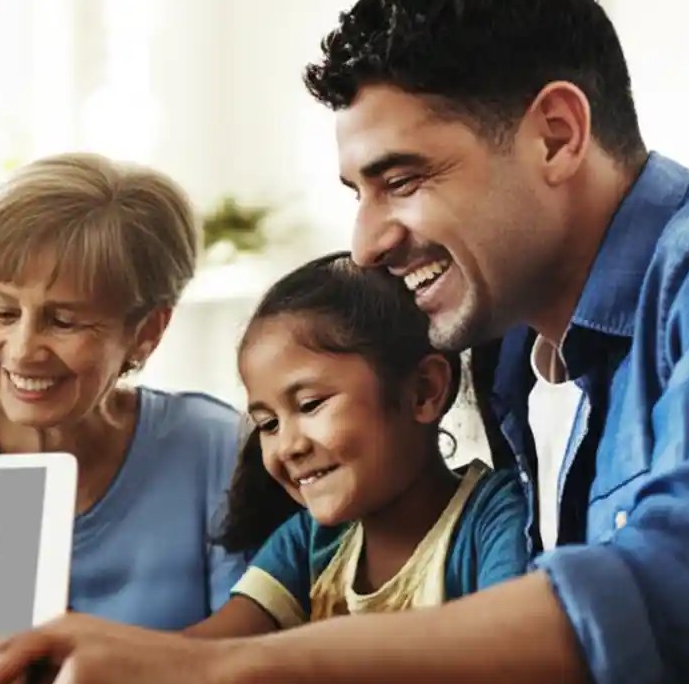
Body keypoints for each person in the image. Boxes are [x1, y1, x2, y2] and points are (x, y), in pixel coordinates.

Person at [0, 0, 689, 684]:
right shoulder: (510, 358)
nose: (364, 243)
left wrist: (215, 676)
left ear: (557, 134)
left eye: (403, 180)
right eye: (358, 189)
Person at [0, 152, 247, 630]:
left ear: (147, 330)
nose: (23, 351)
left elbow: (246, 657)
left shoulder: (213, 448)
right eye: (3, 312)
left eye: (64, 321)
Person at [185, 252, 527, 639]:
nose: (288, 447)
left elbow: (503, 656)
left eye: (310, 405)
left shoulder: (493, 521)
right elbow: (207, 653)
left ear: (423, 391)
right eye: (268, 424)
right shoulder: (307, 543)